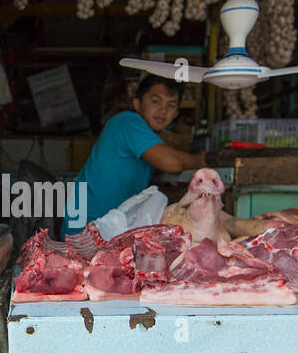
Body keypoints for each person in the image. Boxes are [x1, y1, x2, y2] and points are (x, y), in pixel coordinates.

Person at [65, 75, 206, 235]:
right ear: (137, 103)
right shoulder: (126, 122)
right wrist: (201, 160)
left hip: (106, 226)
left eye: (171, 105)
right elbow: (172, 163)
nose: (163, 110)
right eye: (155, 101)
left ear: (176, 114)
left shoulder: (148, 137)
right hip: (87, 228)